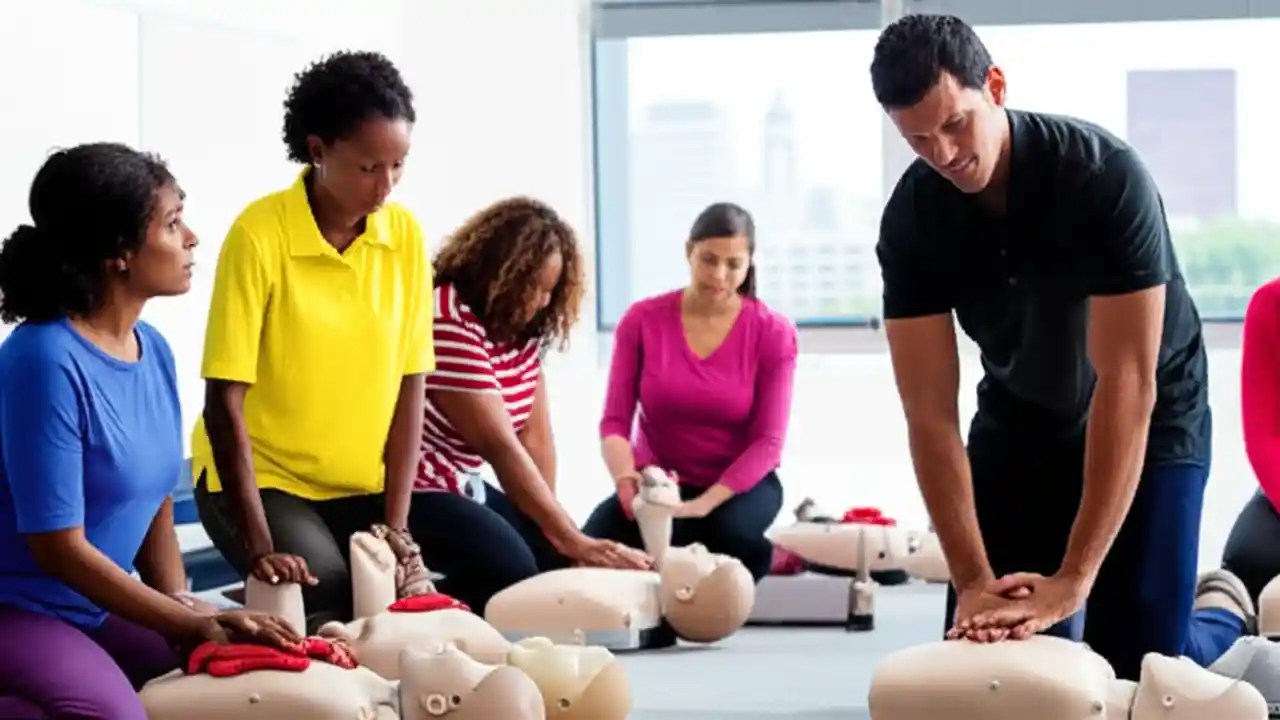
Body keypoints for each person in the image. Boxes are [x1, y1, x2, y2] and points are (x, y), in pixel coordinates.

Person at [869, 13, 1229, 680]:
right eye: (918, 139)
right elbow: (930, 416)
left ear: (995, 86)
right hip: (1022, 418)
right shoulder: (912, 220)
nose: (944, 154)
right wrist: (974, 578)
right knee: (993, 663)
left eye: (954, 123)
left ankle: (1222, 612)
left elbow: (1129, 383)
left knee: (1143, 666)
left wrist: (1075, 575)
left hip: (1152, 412)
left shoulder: (1103, 177)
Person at [0, 143, 297, 720]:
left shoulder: (152, 349)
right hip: (18, 608)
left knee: (228, 678)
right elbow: (58, 548)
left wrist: (182, 609)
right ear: (118, 252)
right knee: (120, 716)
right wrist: (191, 621)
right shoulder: (42, 358)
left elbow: (156, 499)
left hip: (90, 608)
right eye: (172, 222)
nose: (192, 238)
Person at [191, 50, 434, 632]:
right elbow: (224, 401)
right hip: (263, 479)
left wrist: (398, 530)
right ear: (319, 150)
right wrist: (258, 547)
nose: (386, 186)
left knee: (443, 582)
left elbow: (410, 386)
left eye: (398, 165)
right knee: (336, 595)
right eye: (368, 168)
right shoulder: (259, 234)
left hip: (358, 486)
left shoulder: (402, 234)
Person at [410, 196, 650, 614]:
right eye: (532, 287)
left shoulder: (523, 331)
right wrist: (569, 537)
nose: (541, 301)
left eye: (549, 290)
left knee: (543, 559)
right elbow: (500, 446)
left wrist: (550, 532)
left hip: (463, 483)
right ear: (496, 275)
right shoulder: (447, 317)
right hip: (415, 486)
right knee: (514, 571)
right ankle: (419, 603)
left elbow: (535, 438)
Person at [582, 202, 797, 582]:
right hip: (661, 484)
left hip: (738, 487)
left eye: (733, 264)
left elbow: (769, 442)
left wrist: (702, 505)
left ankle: (769, 557)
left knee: (724, 533)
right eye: (708, 260)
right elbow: (615, 422)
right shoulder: (642, 320)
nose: (719, 275)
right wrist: (626, 482)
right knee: (595, 541)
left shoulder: (773, 332)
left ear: (750, 263)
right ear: (688, 252)